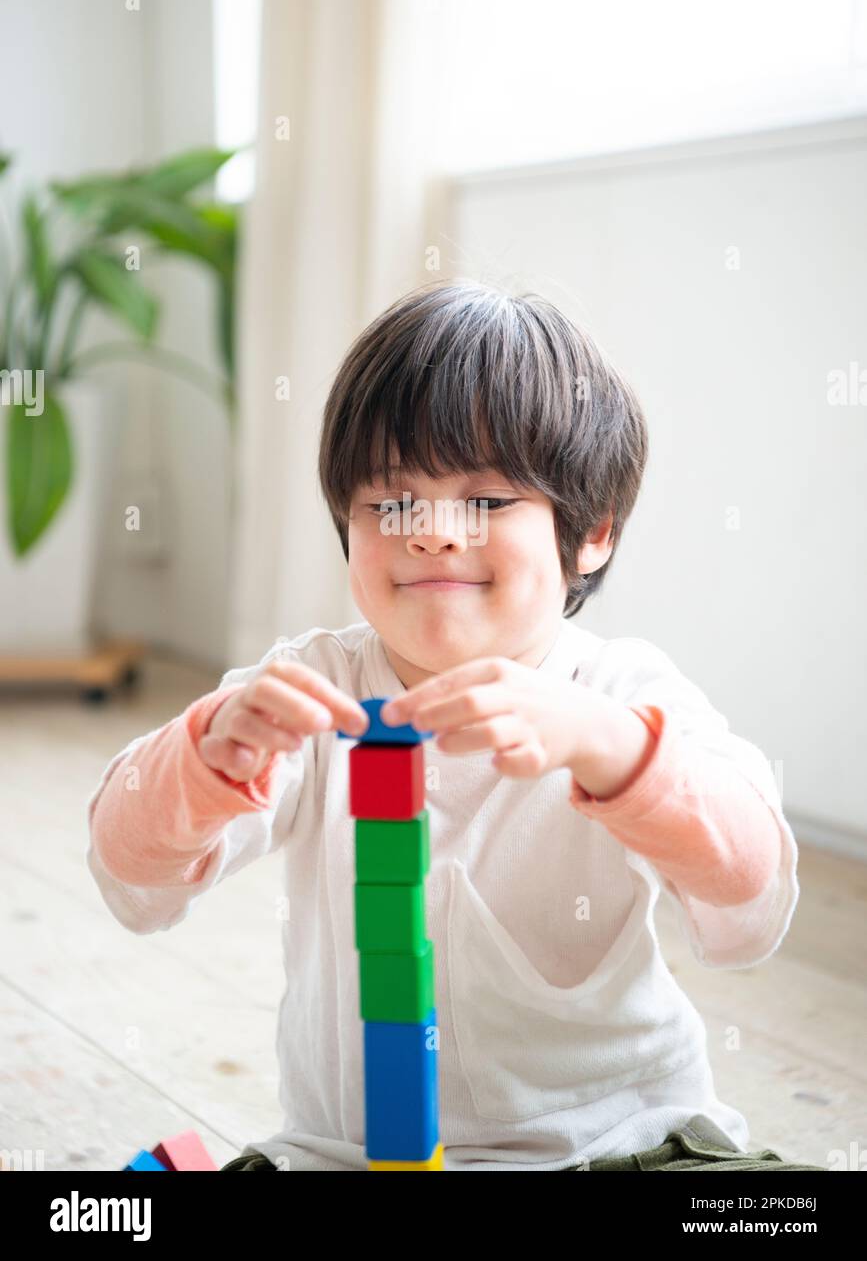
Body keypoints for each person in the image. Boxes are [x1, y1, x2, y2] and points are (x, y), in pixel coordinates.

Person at [86, 279, 825, 1172]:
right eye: (391, 502)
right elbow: (134, 886)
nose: (432, 532)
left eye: (485, 500)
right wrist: (204, 758)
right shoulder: (307, 689)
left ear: (591, 533)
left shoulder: (621, 693)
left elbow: (749, 914)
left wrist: (614, 751)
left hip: (615, 1149)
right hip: (348, 1155)